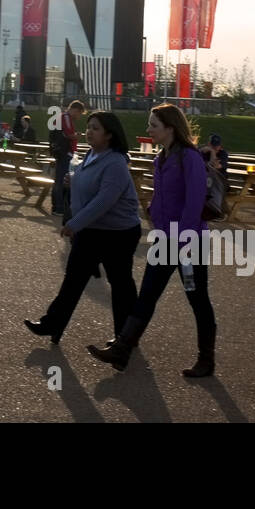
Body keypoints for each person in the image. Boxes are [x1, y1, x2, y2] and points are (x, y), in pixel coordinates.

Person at [89, 104, 217, 378]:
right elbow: (162, 197)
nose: (148, 130)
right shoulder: (161, 158)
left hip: (188, 243)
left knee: (198, 300)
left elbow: (194, 203)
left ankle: (206, 359)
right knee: (146, 295)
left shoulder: (190, 158)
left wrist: (181, 241)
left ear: (170, 128)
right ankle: (122, 349)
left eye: (153, 125)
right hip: (165, 240)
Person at [26, 112, 141, 345]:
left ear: (109, 134)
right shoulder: (90, 155)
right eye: (88, 127)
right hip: (91, 229)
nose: (89, 131)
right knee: (73, 279)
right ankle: (52, 324)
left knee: (120, 284)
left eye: (96, 128)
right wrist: (74, 179)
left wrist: (74, 224)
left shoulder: (116, 162)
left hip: (118, 233)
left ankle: (125, 336)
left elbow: (105, 199)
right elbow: (88, 182)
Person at [50, 100, 87, 217]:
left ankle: (57, 206)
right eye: (80, 113)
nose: (79, 116)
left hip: (61, 151)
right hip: (65, 152)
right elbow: (70, 135)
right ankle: (59, 207)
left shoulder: (61, 117)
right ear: (76, 110)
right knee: (63, 180)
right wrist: (79, 136)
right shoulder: (66, 117)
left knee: (60, 179)